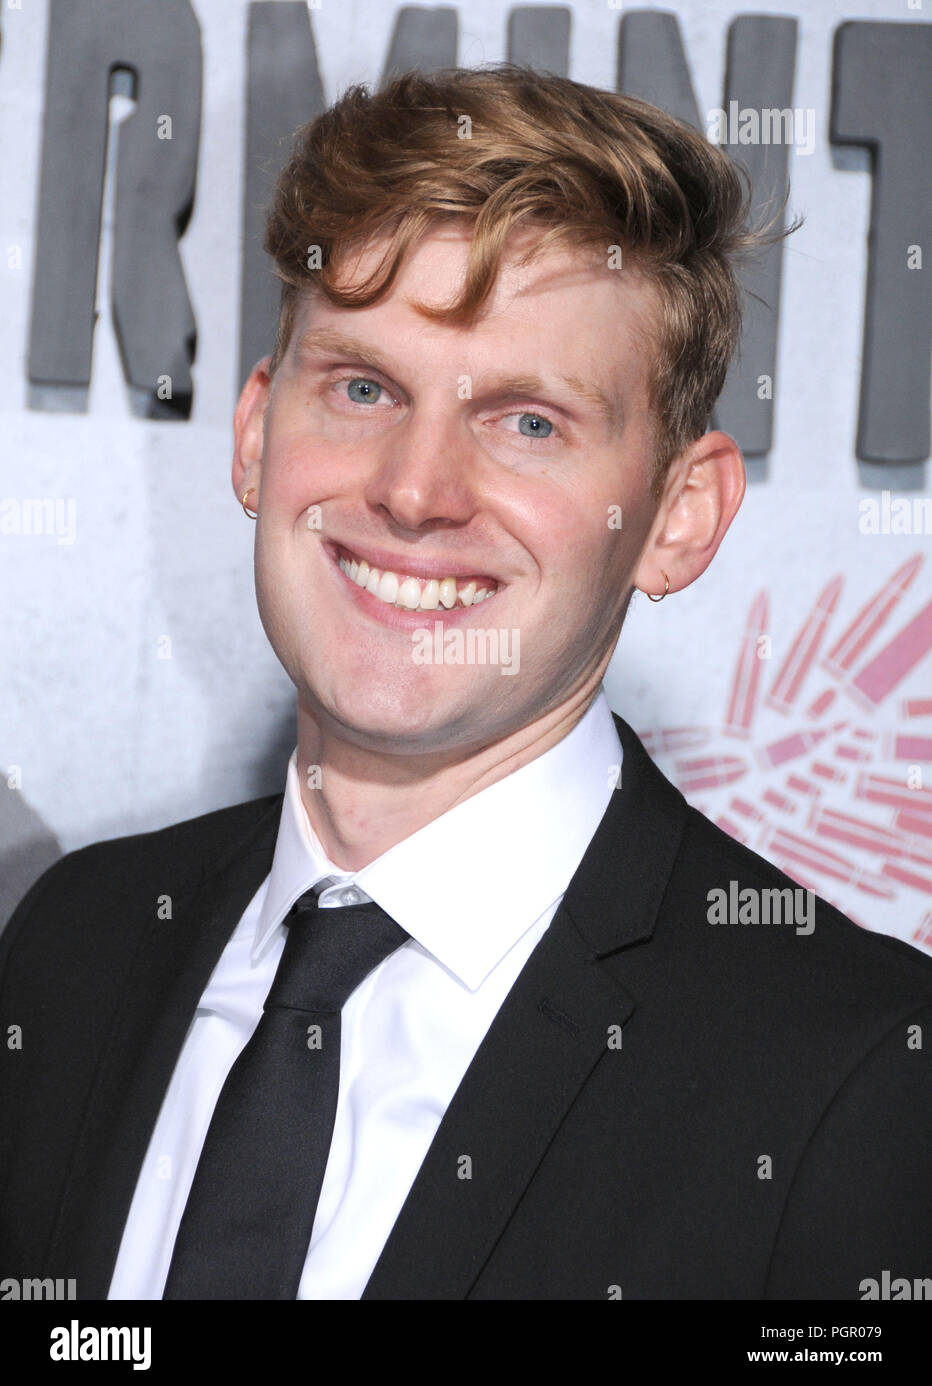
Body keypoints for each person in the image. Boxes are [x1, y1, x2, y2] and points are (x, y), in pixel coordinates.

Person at [1, 64, 929, 1302]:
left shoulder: (857, 1079)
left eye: (526, 420)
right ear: (255, 432)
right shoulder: (77, 942)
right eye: (365, 387)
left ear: (676, 515)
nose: (413, 488)